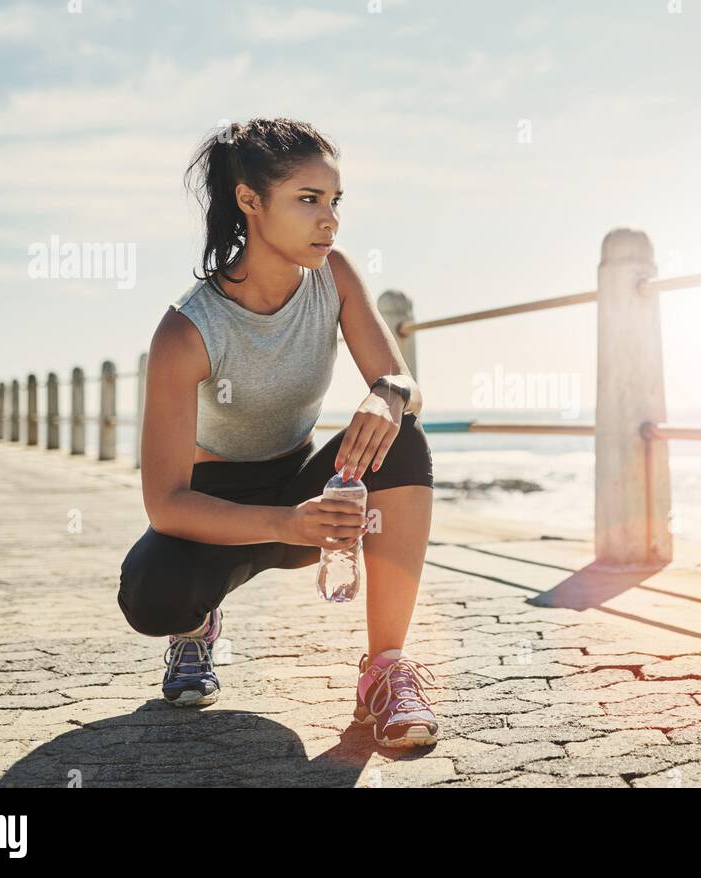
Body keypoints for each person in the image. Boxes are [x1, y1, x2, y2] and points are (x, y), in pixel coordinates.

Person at [116, 118, 438, 749]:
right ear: (250, 201)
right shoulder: (187, 330)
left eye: (335, 201)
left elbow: (403, 383)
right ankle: (194, 629)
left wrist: (388, 395)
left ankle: (385, 671)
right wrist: (287, 526)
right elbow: (165, 503)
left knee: (404, 437)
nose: (331, 221)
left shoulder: (335, 276)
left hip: (299, 484)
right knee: (153, 597)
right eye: (308, 200)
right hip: (212, 507)